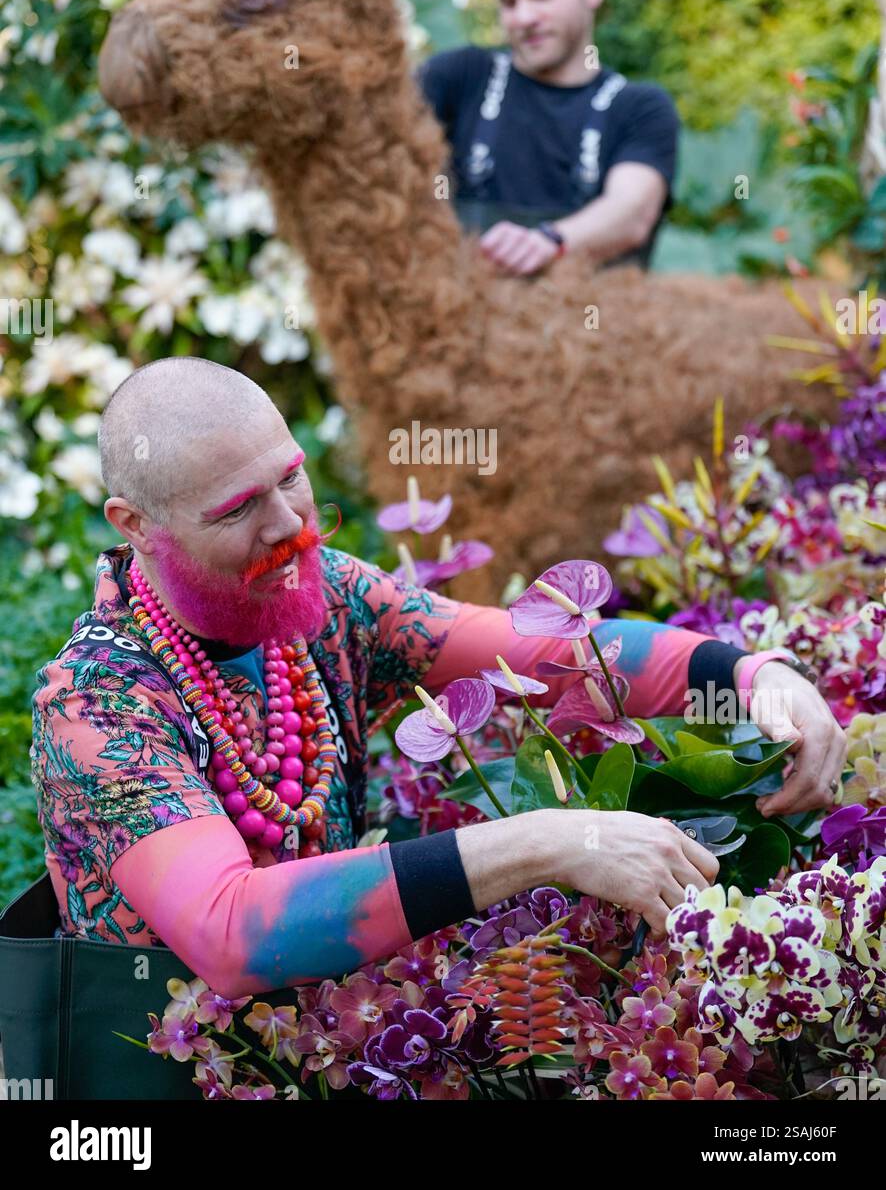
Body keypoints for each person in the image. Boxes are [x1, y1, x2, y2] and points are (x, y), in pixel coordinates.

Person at [30, 358, 845, 999]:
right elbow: (236, 934)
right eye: (237, 509)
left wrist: (752, 674)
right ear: (135, 525)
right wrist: (546, 843)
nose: (290, 528)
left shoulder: (327, 595)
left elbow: (548, 655)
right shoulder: (95, 707)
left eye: (292, 479)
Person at [416, 0, 679, 276]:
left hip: (591, 326)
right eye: (509, 2)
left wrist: (550, 241)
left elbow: (631, 212)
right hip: (465, 325)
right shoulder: (460, 78)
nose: (524, 18)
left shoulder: (639, 107)